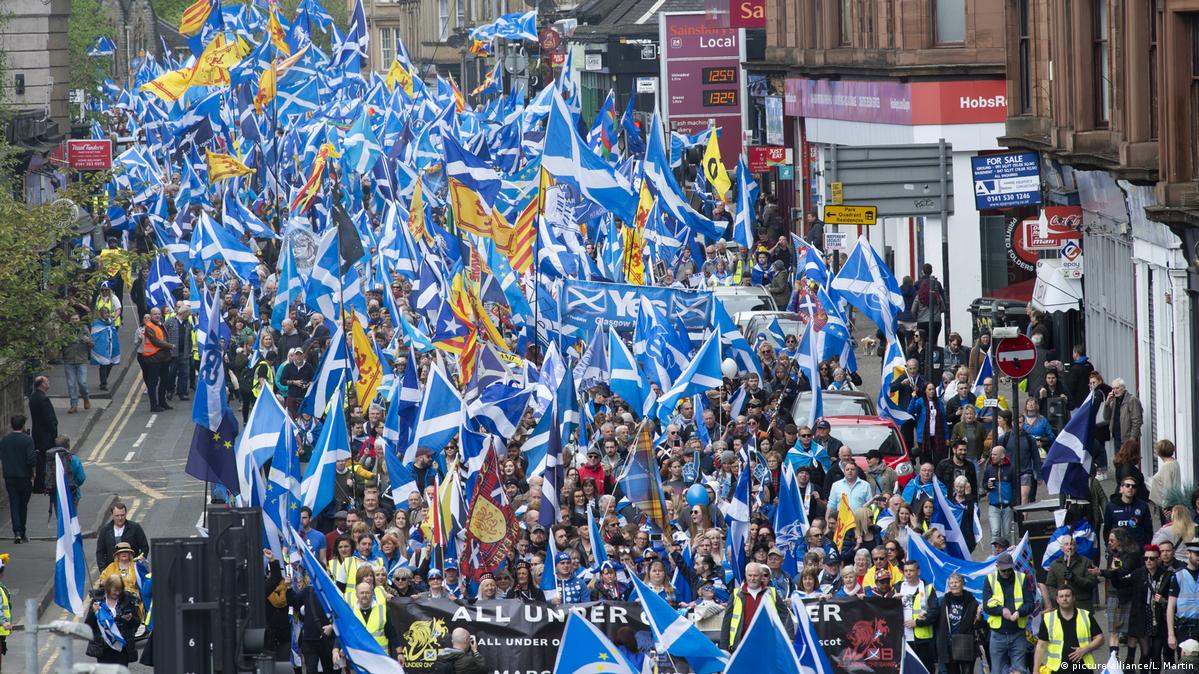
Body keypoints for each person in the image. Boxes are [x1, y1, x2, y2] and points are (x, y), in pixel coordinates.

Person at [1118, 543, 1171, 671]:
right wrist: (1113, 571)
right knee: (1146, 652)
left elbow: (1174, 597)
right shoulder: (1139, 573)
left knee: (1156, 654)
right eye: (1146, 558)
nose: (1148, 561)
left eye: (1152, 558)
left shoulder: (1166, 575)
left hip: (1159, 618)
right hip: (1143, 617)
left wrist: (1164, 600)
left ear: (1158, 560)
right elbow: (1121, 582)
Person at [721, 562, 792, 651]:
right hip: (741, 646)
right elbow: (726, 623)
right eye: (749, 575)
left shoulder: (771, 593)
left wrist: (789, 636)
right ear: (745, 576)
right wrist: (723, 648)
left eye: (756, 575)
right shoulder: (736, 594)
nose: (752, 578)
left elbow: (785, 616)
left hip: (768, 645)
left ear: (762, 576)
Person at [982, 553, 1035, 674]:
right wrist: (1001, 611)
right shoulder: (990, 580)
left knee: (1019, 671)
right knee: (997, 671)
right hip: (997, 634)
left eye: (1009, 569)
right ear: (997, 567)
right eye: (1003, 570)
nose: (1006, 572)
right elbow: (986, 607)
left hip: (1018, 634)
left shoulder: (1022, 578)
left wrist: (1019, 612)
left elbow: (1030, 604)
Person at [1032, 586, 1104, 673]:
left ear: (1073, 598)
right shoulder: (1048, 619)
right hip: (1057, 669)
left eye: (1067, 596)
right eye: (1061, 596)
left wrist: (1086, 648)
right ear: (1057, 600)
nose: (1064, 599)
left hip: (1083, 667)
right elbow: (1041, 646)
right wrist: (1035, 671)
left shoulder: (1086, 615)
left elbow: (1100, 638)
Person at [85, 574, 140, 665]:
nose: (118, 593)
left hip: (122, 649)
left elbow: (136, 623)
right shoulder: (97, 601)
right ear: (108, 588)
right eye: (115, 590)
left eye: (120, 590)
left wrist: (130, 619)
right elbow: (88, 625)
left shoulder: (128, 599)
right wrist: (93, 613)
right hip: (104, 649)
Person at [898, 560, 938, 672]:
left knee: (925, 670)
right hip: (902, 639)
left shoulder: (927, 589)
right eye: (906, 571)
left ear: (918, 572)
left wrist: (916, 623)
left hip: (922, 640)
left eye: (911, 570)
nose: (908, 573)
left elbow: (934, 613)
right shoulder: (898, 587)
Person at [0, 415, 35, 544]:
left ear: (12, 425)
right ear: (23, 425)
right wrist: (33, 472)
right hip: (24, 477)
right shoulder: (27, 440)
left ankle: (17, 532)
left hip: (9, 477)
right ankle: (23, 531)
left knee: (14, 503)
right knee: (23, 505)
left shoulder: (5, 440)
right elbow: (31, 459)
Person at [1043, 534, 1101, 611]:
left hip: (1082, 606)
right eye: (1066, 544)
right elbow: (1050, 586)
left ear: (1076, 547)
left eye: (1072, 544)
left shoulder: (1086, 562)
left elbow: (1092, 583)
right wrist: (1059, 598)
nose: (1069, 547)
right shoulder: (1055, 565)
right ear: (1062, 548)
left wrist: (1075, 578)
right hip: (1062, 608)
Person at [935, 572, 979, 674]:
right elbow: (933, 616)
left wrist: (979, 615)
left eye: (957, 582)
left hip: (965, 642)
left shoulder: (971, 601)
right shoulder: (943, 601)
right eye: (951, 583)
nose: (954, 585)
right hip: (948, 644)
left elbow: (977, 624)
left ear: (962, 583)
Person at [137, 308, 175, 413]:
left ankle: (162, 402)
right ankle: (154, 405)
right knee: (153, 383)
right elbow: (156, 342)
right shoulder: (149, 327)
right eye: (155, 314)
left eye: (158, 314)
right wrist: (170, 346)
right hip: (153, 359)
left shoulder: (160, 324)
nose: (157, 316)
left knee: (165, 380)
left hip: (163, 358)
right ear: (151, 315)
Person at [95, 502, 150, 571]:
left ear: (126, 513)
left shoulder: (135, 527)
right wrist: (103, 570)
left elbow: (144, 547)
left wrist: (140, 562)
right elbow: (100, 552)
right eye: (117, 516)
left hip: (132, 569)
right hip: (112, 571)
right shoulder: (105, 530)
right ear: (112, 515)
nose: (120, 518)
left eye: (122, 515)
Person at [1167, 538, 1199, 651]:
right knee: (1186, 664)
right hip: (1185, 627)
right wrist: (1171, 634)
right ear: (1188, 554)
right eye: (1197, 554)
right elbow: (1170, 607)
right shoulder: (1178, 575)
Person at [1103, 477, 1153, 547]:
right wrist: (1108, 547)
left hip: (1137, 549)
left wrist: (1146, 547)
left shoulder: (1143, 506)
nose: (1130, 488)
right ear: (1121, 489)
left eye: (1133, 486)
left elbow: (1148, 529)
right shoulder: (1111, 506)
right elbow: (1107, 529)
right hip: (1118, 548)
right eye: (1127, 485)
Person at [1103, 378, 1143, 465]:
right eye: (1113, 388)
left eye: (1117, 388)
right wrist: (1107, 403)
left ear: (1123, 388)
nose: (1115, 391)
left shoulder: (1132, 400)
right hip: (1117, 437)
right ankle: (1120, 478)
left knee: (1128, 463)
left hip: (1127, 438)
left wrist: (1132, 438)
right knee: (1118, 462)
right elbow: (1106, 417)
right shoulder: (1114, 400)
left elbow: (1137, 421)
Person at [983, 446, 1017, 545]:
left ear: (1002, 455)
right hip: (993, 505)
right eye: (992, 454)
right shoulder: (989, 468)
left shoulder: (1011, 468)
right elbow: (983, 484)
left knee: (1007, 534)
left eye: (994, 454)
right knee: (995, 532)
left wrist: (1013, 503)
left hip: (1007, 506)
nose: (992, 456)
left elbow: (1015, 487)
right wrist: (987, 486)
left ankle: (1007, 557)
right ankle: (995, 557)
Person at [28, 375, 57, 493]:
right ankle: (42, 485)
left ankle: (39, 485)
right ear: (42, 384)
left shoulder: (33, 397)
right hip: (45, 435)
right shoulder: (43, 399)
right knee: (44, 460)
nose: (48, 383)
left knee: (39, 459)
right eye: (47, 381)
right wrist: (54, 433)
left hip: (37, 433)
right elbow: (49, 419)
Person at [62, 312, 93, 413]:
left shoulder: (84, 329)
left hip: (81, 360)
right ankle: (73, 405)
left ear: (79, 320)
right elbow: (59, 345)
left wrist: (88, 341)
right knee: (71, 384)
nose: (75, 321)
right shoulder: (66, 330)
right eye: (73, 319)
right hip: (69, 360)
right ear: (70, 321)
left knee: (82, 382)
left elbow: (93, 345)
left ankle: (85, 397)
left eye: (76, 319)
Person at [1149, 439, 1180, 512]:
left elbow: (1167, 487)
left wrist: (1165, 507)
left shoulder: (1166, 467)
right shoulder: (1175, 462)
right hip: (1174, 502)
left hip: (1167, 505)